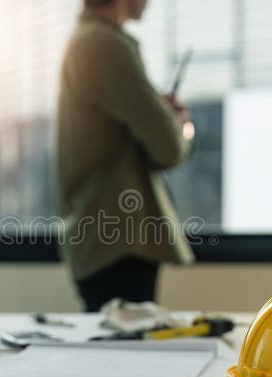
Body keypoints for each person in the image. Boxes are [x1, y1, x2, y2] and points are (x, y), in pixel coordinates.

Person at [55, 0, 195, 312]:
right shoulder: (103, 44)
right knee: (130, 354)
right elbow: (169, 148)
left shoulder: (88, 41)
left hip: (105, 238)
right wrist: (180, 124)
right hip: (118, 241)